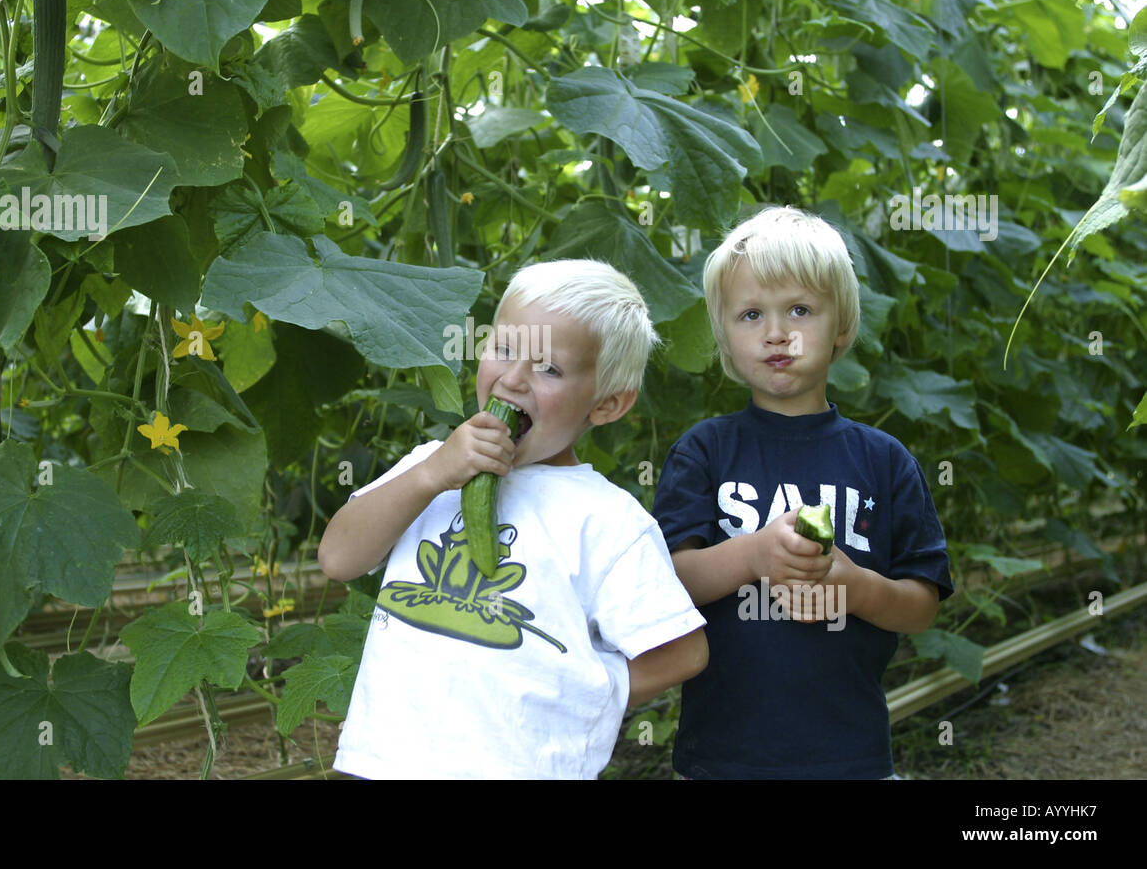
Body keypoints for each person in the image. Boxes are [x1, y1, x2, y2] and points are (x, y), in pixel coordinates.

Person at [319, 258, 708, 779]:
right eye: (504, 349)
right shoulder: (427, 468)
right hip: (382, 762)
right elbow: (338, 559)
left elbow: (684, 652)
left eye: (549, 368)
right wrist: (432, 474)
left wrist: (589, 689)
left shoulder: (608, 520)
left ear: (607, 404)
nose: (515, 378)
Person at [651, 206, 954, 779]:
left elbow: (922, 605)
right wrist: (754, 554)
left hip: (850, 758)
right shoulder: (704, 451)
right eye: (749, 315)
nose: (775, 332)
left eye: (799, 309)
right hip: (721, 759)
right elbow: (668, 577)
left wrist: (855, 587)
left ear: (840, 326)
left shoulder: (884, 461)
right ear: (724, 335)